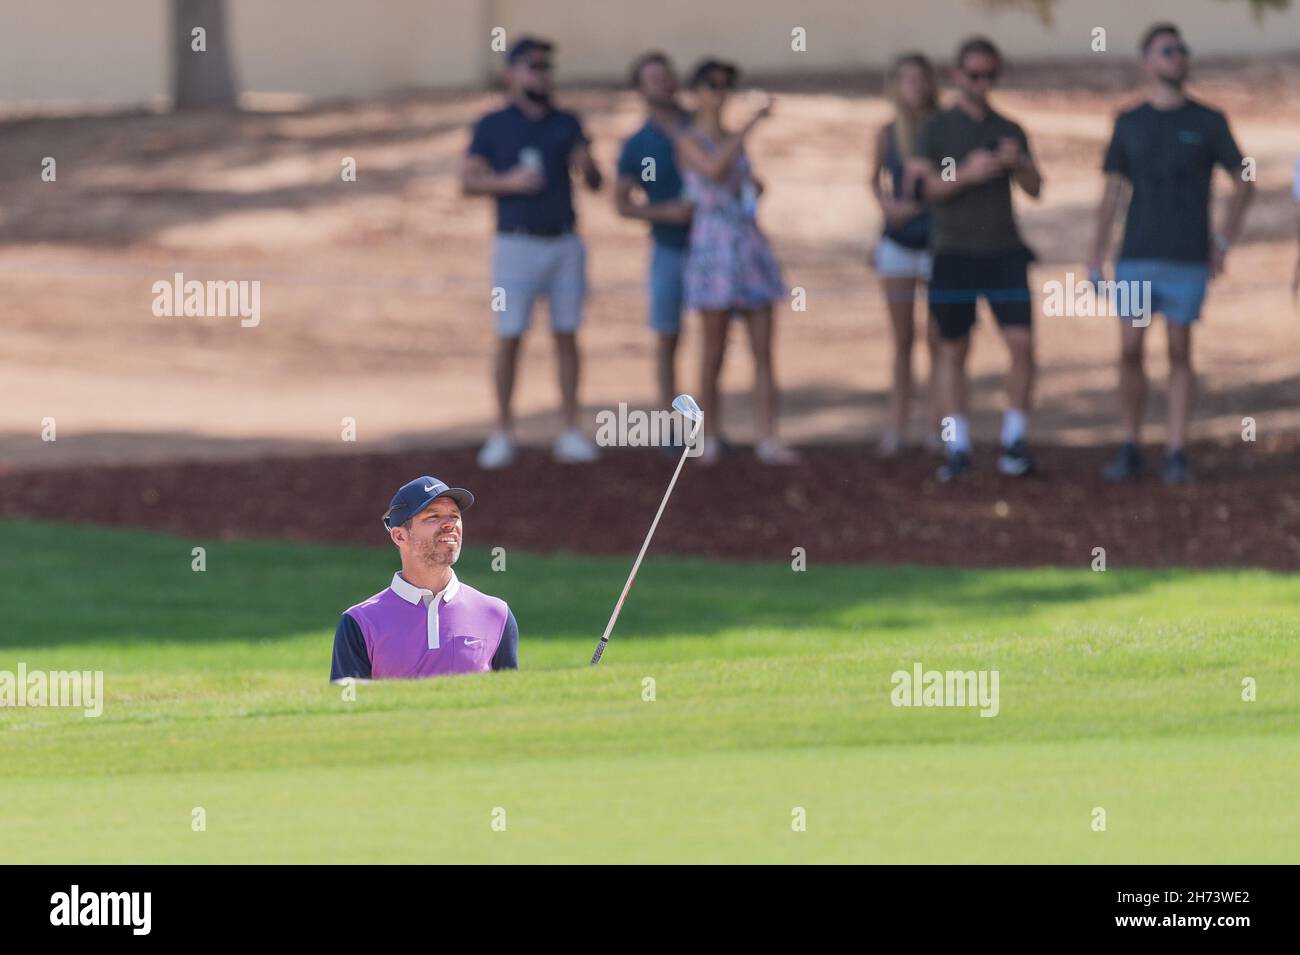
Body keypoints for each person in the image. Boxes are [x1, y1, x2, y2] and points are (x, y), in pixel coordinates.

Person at [1090, 23, 1255, 485]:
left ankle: (1176, 448)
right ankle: (1129, 442)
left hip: (1187, 257)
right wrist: (1095, 253)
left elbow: (1245, 179)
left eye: (1181, 50)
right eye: (1166, 51)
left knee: (1179, 350)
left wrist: (1222, 242)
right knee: (1130, 348)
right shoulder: (1128, 122)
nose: (1177, 57)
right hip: (1138, 254)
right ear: (1148, 61)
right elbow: (1112, 191)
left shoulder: (1209, 121)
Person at [461, 36, 603, 469]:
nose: (541, 73)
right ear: (513, 72)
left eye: (546, 66)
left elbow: (595, 181)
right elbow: (469, 182)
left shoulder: (567, 122)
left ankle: (570, 430)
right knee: (510, 335)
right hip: (515, 242)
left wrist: (589, 164)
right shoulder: (492, 124)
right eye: (533, 66)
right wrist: (509, 182)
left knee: (567, 333)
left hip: (563, 239)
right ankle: (503, 431)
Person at [913, 36, 1043, 481]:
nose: (982, 83)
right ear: (957, 75)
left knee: (1022, 345)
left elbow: (1035, 188)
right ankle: (957, 446)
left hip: (1004, 250)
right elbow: (924, 188)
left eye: (990, 75)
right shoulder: (936, 128)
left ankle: (1014, 441)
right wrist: (966, 174)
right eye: (974, 75)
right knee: (953, 350)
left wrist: (1019, 163)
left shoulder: (1009, 127)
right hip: (953, 251)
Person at [668, 58, 800, 466]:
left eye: (725, 84)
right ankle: (707, 437)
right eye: (711, 84)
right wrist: (749, 125)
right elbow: (712, 169)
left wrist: (754, 186)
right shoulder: (688, 139)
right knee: (713, 350)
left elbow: (738, 179)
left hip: (747, 246)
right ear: (696, 91)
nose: (719, 92)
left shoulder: (731, 138)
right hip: (713, 249)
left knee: (764, 349)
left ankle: (768, 435)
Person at [330, 477, 519, 681]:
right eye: (433, 516)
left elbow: (509, 703)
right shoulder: (359, 622)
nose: (449, 524)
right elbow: (349, 710)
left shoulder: (497, 615)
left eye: (454, 516)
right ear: (400, 536)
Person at [615, 52, 695, 433]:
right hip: (668, 247)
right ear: (641, 90)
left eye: (668, 76)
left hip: (714, 250)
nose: (664, 84)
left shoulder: (702, 126)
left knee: (719, 336)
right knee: (668, 335)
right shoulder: (638, 144)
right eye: (654, 79)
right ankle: (671, 425)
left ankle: (711, 429)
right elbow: (622, 204)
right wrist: (666, 212)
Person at [868, 52, 941, 457]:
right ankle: (896, 427)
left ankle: (936, 426)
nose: (914, 85)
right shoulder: (887, 133)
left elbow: (951, 176)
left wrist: (930, 190)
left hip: (936, 240)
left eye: (920, 77)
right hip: (897, 241)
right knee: (902, 340)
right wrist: (887, 207)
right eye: (906, 78)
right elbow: (873, 179)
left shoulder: (943, 128)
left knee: (938, 339)